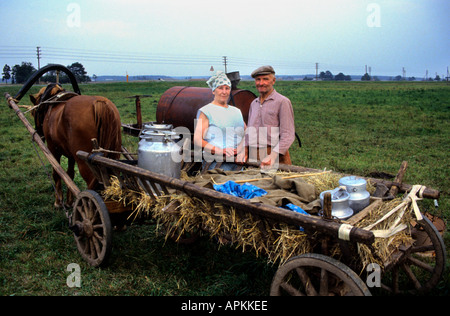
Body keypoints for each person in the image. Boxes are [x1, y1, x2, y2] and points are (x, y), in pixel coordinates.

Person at [194, 71, 246, 170]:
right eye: (220, 88)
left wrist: (242, 149)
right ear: (214, 90)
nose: (224, 92)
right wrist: (220, 150)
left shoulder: (236, 111)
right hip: (215, 164)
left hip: (237, 162)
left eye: (227, 88)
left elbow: (246, 133)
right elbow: (197, 140)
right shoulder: (206, 111)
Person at [246, 65, 295, 169]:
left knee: (277, 184)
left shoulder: (282, 102)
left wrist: (273, 156)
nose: (261, 83)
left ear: (273, 81)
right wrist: (245, 150)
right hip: (254, 156)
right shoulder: (254, 103)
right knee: (252, 183)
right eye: (258, 79)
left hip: (275, 156)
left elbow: (288, 134)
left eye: (265, 79)